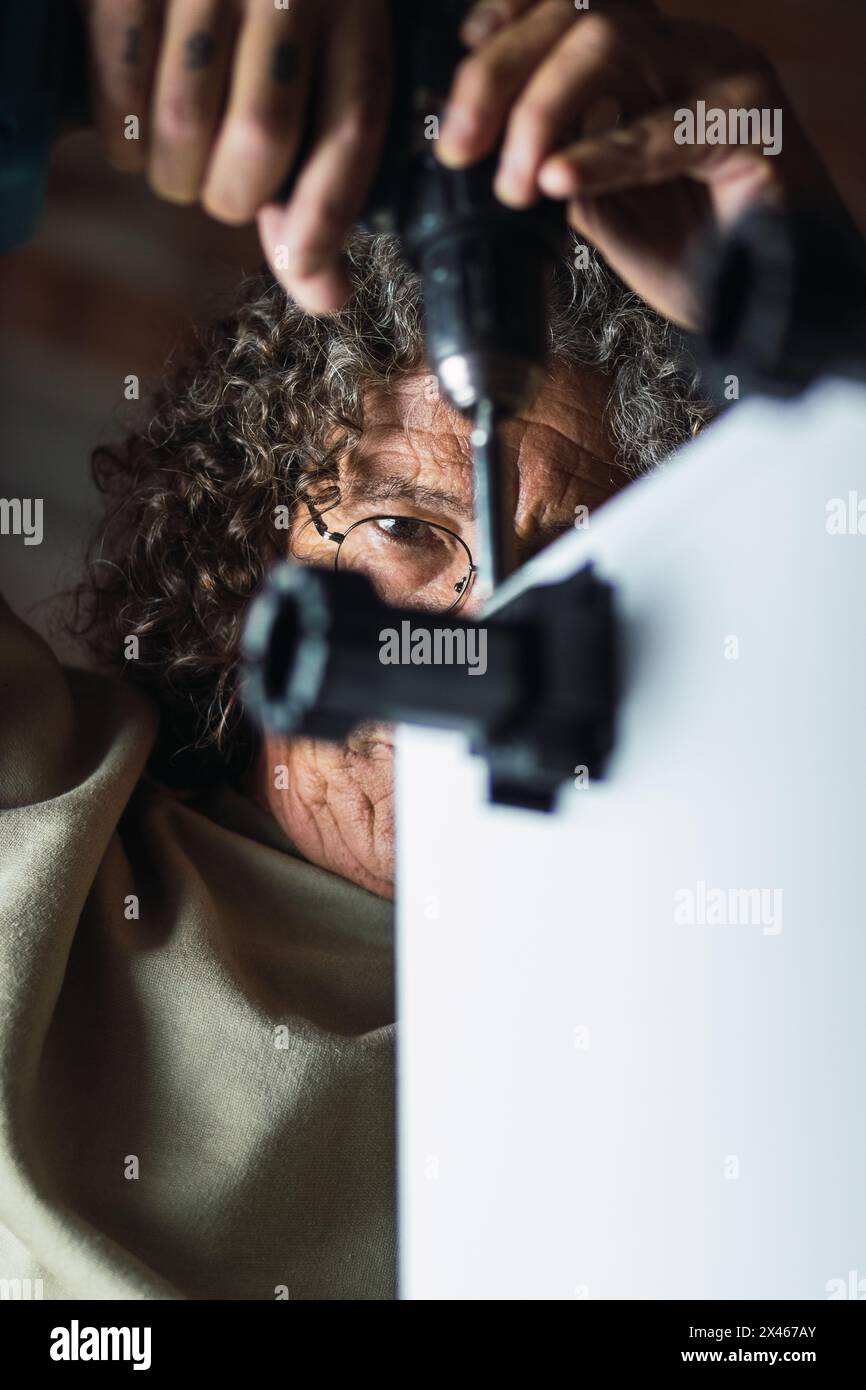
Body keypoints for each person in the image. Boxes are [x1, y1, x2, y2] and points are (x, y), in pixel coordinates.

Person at [0, 0, 850, 1299]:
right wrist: (52, 50)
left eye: (566, 569)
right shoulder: (48, 815)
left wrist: (826, 358)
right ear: (253, 570)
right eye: (404, 525)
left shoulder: (733, 983)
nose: (479, 624)